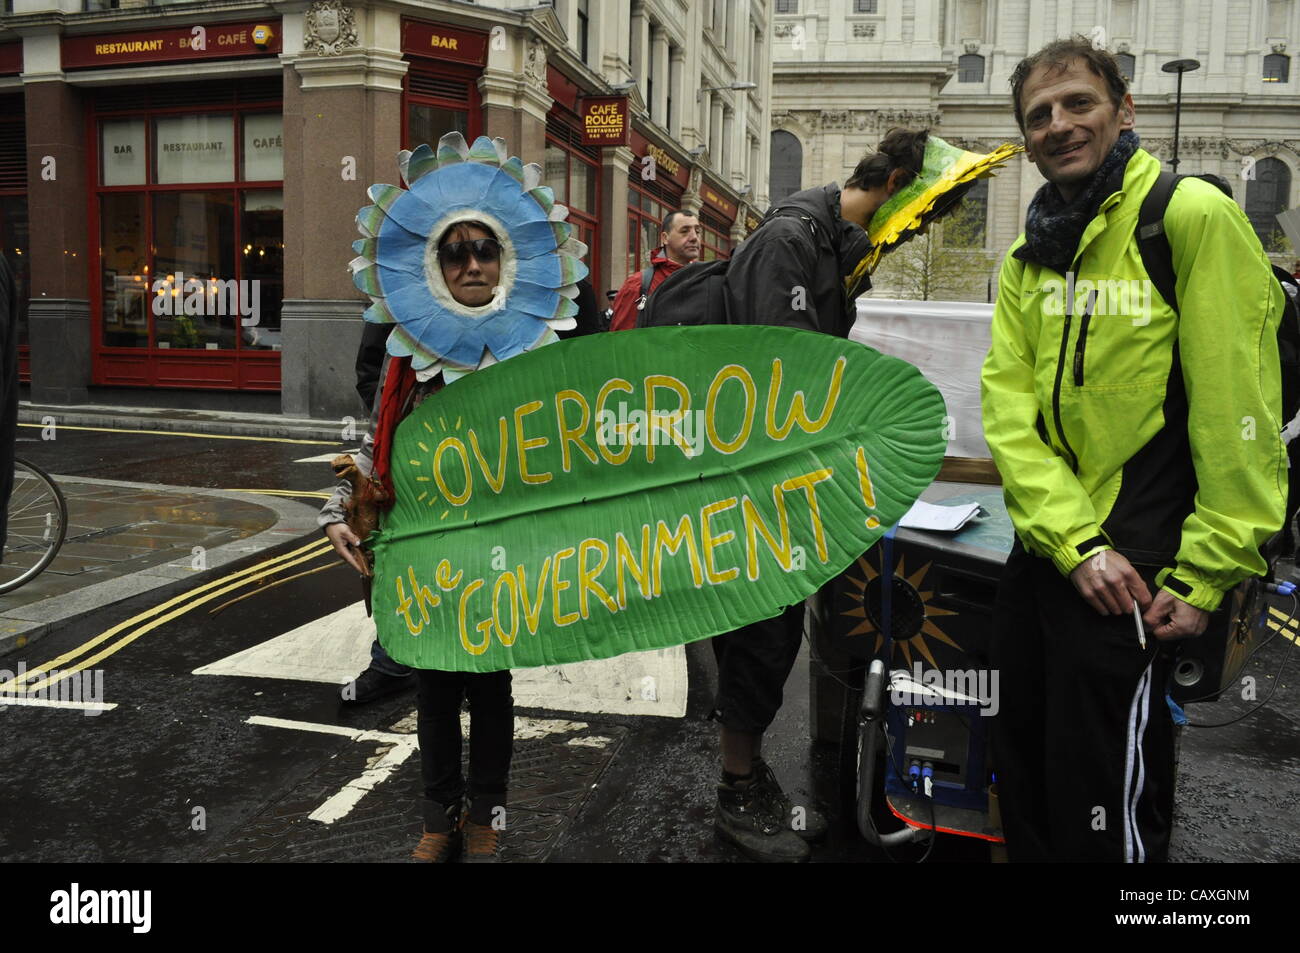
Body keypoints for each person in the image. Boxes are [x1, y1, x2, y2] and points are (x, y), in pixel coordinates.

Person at [980, 37, 1287, 862]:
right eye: (1038, 114)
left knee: (1104, 801)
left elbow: (1239, 413)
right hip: (1051, 548)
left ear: (1126, 110)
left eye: (1078, 103)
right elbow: (1009, 410)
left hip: (1142, 564)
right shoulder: (1026, 255)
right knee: (1024, 773)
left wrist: (1205, 574)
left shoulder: (1187, 217)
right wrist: (1070, 539)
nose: (1059, 124)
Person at [701, 128, 931, 862]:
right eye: (917, 215)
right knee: (759, 634)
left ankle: (748, 774)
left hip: (786, 477)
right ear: (894, 183)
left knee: (775, 635)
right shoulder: (792, 238)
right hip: (756, 482)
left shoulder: (835, 243)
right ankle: (738, 789)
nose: (913, 234)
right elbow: (785, 375)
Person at [322, 221, 515, 862]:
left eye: (484, 249)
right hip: (423, 553)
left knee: (490, 692)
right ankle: (440, 818)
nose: (471, 264)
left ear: (502, 261)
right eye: (455, 253)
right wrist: (334, 512)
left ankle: (485, 817)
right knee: (433, 694)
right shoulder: (407, 356)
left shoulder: (532, 348)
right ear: (438, 268)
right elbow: (376, 444)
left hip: (497, 553)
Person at [608, 210, 701, 331]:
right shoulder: (638, 284)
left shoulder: (708, 279)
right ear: (665, 238)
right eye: (684, 231)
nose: (694, 237)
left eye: (697, 232)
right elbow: (622, 340)